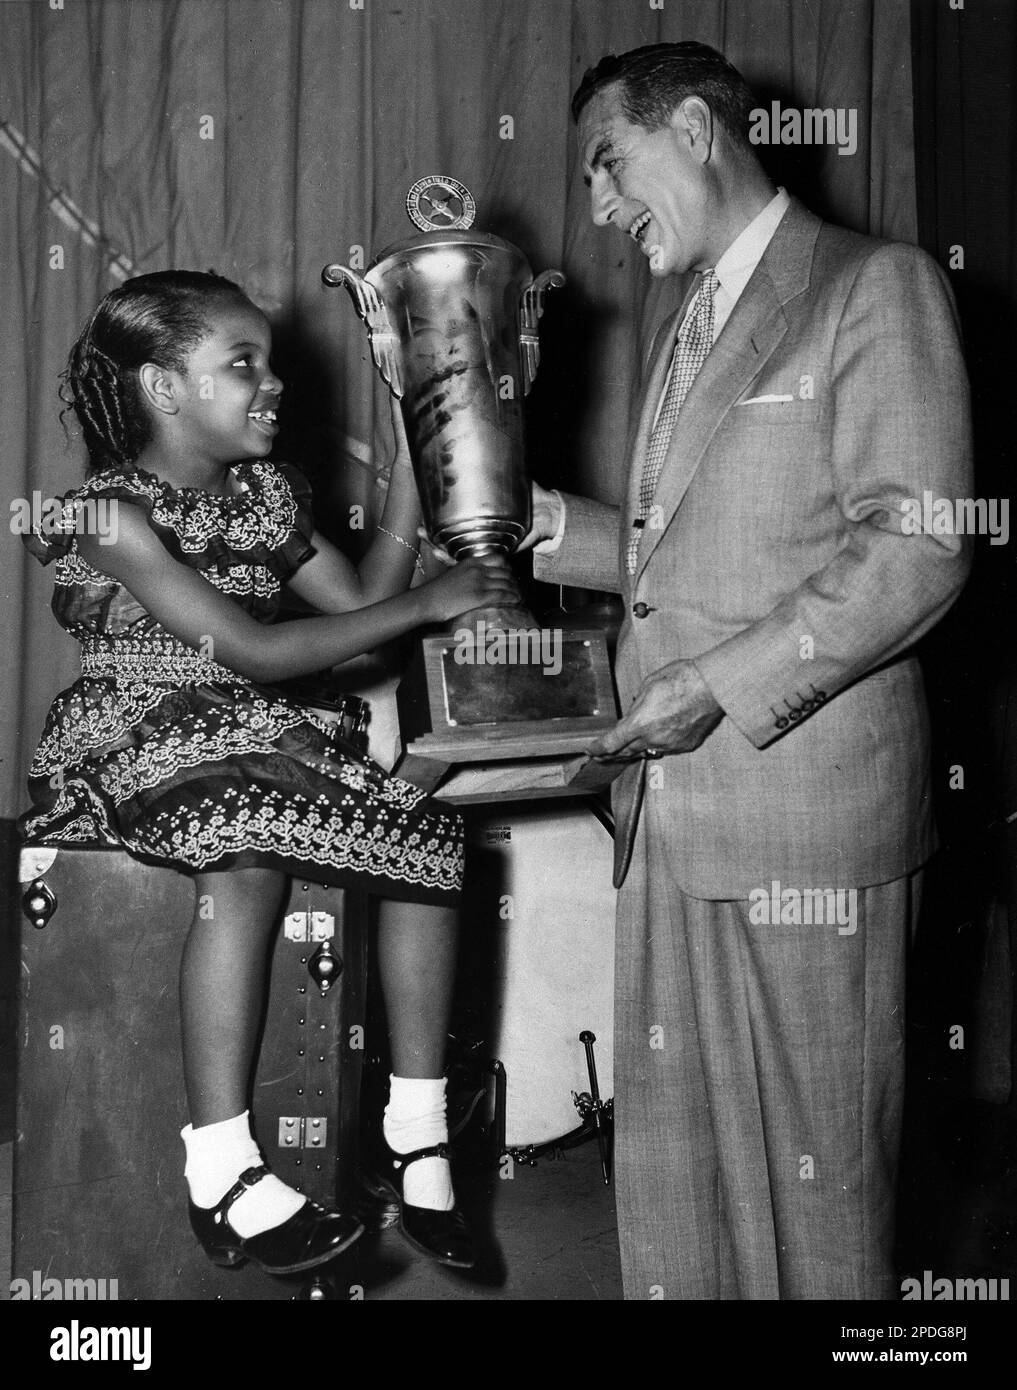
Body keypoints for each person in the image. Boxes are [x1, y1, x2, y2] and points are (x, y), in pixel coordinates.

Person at [522, 42, 973, 1299]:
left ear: (698, 131)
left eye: (609, 163)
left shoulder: (872, 285)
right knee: (680, 1185)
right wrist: (544, 518)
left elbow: (924, 540)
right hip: (666, 812)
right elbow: (684, 557)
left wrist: (720, 682)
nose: (600, 205)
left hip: (804, 816)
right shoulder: (684, 319)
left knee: (822, 1200)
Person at [20, 269, 520, 1275]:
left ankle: (417, 1133)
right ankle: (222, 1168)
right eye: (240, 362)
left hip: (250, 729)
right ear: (165, 387)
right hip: (136, 730)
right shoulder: (107, 515)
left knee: (422, 832)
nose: (273, 381)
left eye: (271, 360)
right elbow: (252, 650)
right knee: (242, 842)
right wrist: (429, 607)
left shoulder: (263, 495)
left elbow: (355, 607)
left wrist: (415, 435)